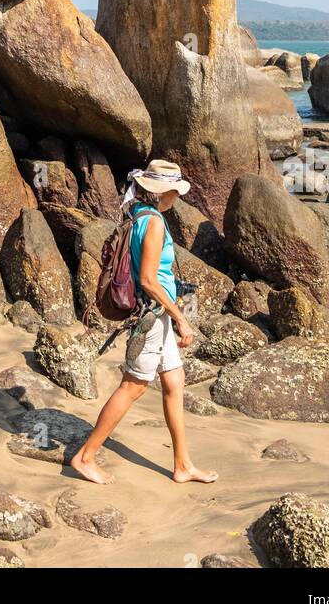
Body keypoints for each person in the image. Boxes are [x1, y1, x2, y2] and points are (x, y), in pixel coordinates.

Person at [70, 159, 219, 486]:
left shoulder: (138, 215)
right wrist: (181, 318)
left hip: (157, 314)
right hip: (152, 315)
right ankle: (85, 456)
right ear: (162, 192)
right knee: (133, 385)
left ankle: (182, 465)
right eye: (175, 192)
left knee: (174, 381)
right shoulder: (151, 223)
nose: (176, 198)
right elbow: (149, 280)